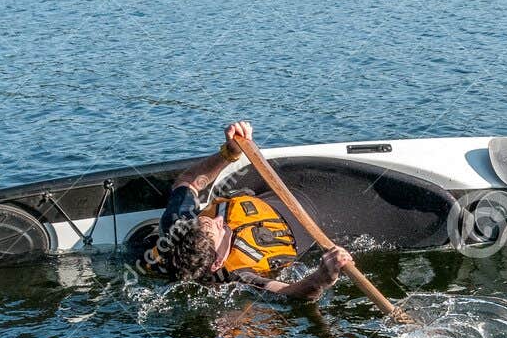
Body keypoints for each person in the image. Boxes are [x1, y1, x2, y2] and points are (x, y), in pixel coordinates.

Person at [137, 121, 354, 300]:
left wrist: (228, 153)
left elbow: (188, 183)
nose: (218, 220)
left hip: (274, 191)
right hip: (321, 215)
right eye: (216, 228)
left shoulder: (176, 227)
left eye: (205, 219)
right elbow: (292, 293)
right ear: (217, 263)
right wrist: (322, 277)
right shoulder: (237, 276)